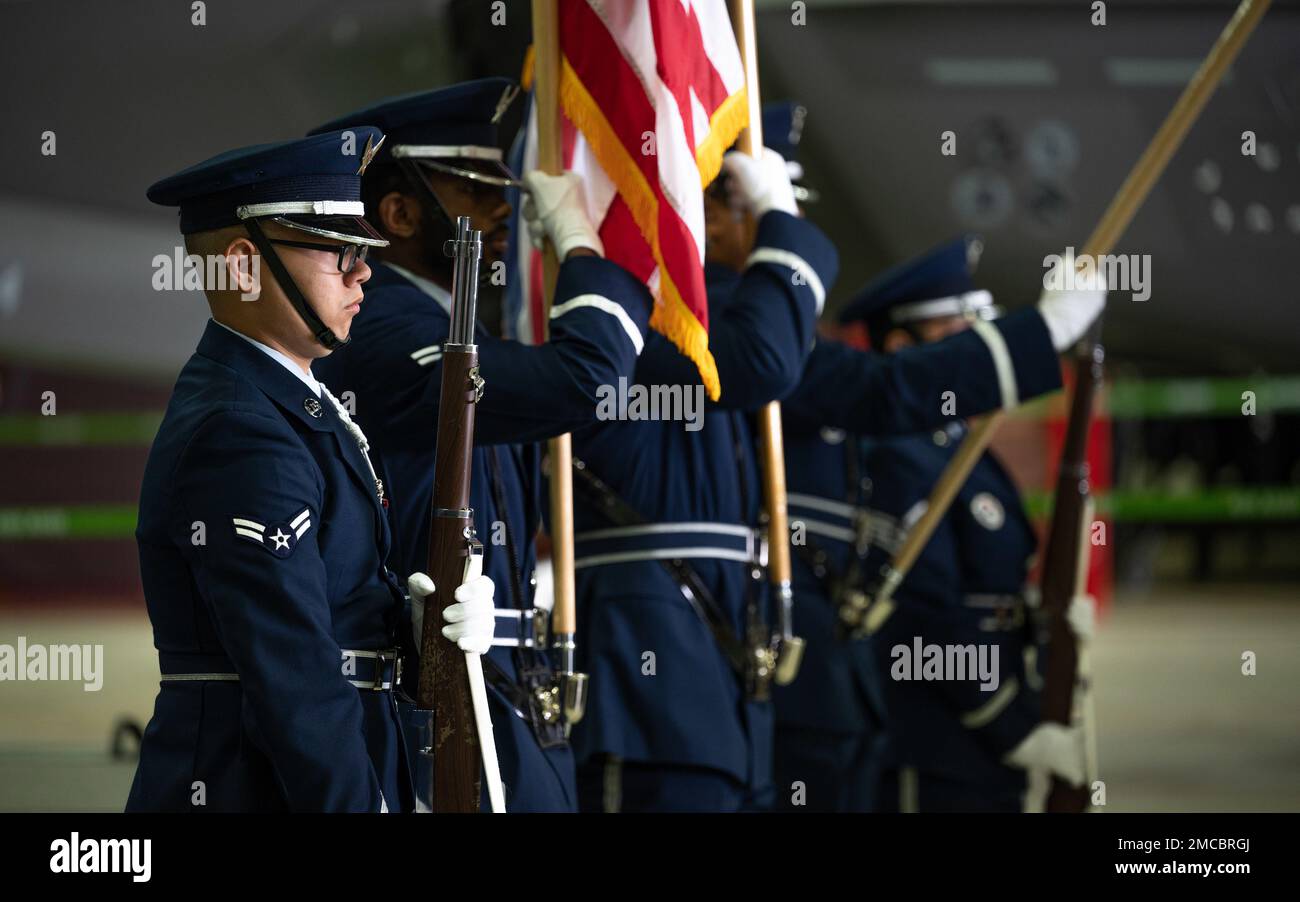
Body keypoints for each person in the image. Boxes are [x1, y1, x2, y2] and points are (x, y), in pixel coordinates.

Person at [128, 127, 496, 812]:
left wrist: (416, 631)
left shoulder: (289, 404)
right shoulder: (239, 431)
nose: (364, 273)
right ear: (242, 267)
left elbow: (331, 613)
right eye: (338, 252)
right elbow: (292, 672)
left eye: (362, 251)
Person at [311, 79, 653, 812]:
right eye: (473, 189)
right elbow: (589, 377)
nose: (506, 208)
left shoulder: (463, 328)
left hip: (504, 692)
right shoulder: (384, 330)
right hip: (430, 697)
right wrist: (588, 254)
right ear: (399, 214)